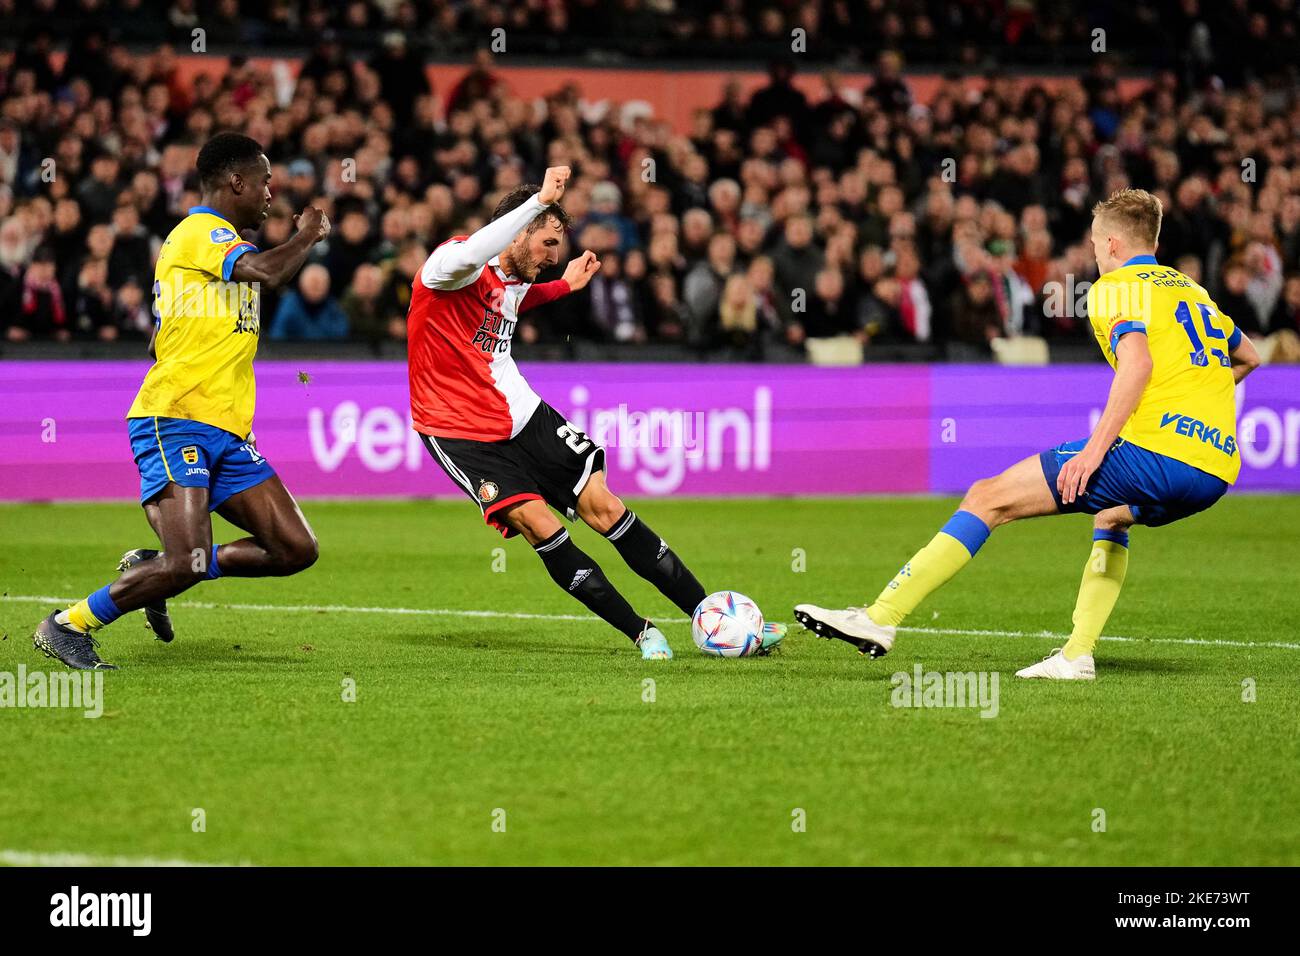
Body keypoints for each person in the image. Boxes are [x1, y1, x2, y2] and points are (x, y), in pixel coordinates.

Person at [794, 189, 1261, 680]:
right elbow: (1248, 355)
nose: (1096, 255)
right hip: (1212, 471)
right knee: (1112, 516)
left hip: (1158, 453)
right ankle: (1077, 655)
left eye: (1097, 245)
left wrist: (1094, 452)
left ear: (1114, 245)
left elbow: (1137, 364)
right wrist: (1190, 396)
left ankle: (880, 618)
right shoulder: (1191, 290)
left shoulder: (1116, 288)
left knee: (987, 497)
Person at [405, 166, 782, 660]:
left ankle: (712, 618)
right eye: (547, 242)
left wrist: (563, 285)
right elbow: (478, 251)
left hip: (523, 413)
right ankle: (641, 632)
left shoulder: (517, 278)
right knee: (541, 523)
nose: (553, 255)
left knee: (605, 506)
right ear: (519, 229)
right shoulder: (449, 267)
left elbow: (515, 299)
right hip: (459, 432)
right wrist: (538, 200)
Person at [33, 133, 330, 670]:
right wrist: (306, 234)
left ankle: (152, 567)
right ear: (235, 180)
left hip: (226, 427)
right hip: (177, 418)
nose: (270, 193)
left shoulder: (210, 248)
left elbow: (164, 332)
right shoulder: (202, 231)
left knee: (294, 548)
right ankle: (67, 624)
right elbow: (267, 271)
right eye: (264, 181)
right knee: (185, 562)